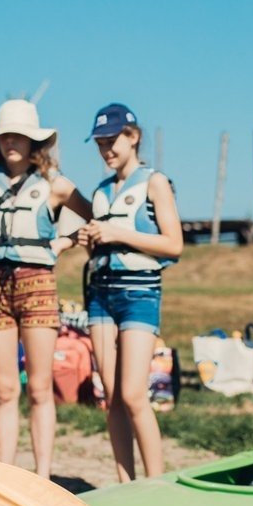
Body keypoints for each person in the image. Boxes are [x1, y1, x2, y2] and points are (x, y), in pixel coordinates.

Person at [0, 99, 91, 479]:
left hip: (37, 281)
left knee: (40, 388)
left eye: (20, 136)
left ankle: (42, 475)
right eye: (6, 135)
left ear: (34, 141)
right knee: (4, 389)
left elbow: (94, 218)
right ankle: (5, 476)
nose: (12, 141)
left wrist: (63, 242)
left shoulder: (55, 185)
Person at [76, 103, 184, 481]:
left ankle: (156, 485)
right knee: (112, 397)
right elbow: (101, 244)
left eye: (112, 141)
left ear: (133, 137)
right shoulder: (101, 191)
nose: (106, 150)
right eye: (100, 143)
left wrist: (117, 233)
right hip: (100, 295)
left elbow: (173, 244)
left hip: (139, 294)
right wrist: (89, 239)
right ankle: (126, 485)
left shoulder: (155, 182)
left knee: (135, 394)